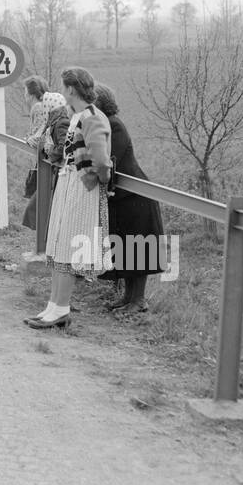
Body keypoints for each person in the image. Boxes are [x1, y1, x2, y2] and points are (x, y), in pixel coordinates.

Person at [24, 67, 111, 330]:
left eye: (64, 88)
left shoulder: (92, 118)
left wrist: (99, 179)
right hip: (68, 183)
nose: (62, 92)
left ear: (71, 89)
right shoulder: (78, 115)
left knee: (70, 247)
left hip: (81, 188)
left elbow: (101, 160)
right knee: (60, 243)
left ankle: (61, 308)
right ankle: (55, 305)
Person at [94, 83, 165, 314]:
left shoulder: (114, 126)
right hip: (122, 198)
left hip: (136, 197)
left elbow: (108, 158)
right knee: (125, 248)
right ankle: (128, 297)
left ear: (99, 103)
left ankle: (139, 300)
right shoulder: (106, 124)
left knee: (139, 249)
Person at [20, 76, 70, 230]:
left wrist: (48, 149)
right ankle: (42, 241)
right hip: (53, 168)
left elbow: (60, 147)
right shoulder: (56, 122)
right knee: (41, 206)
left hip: (55, 169)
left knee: (41, 207)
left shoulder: (59, 122)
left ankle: (42, 243)